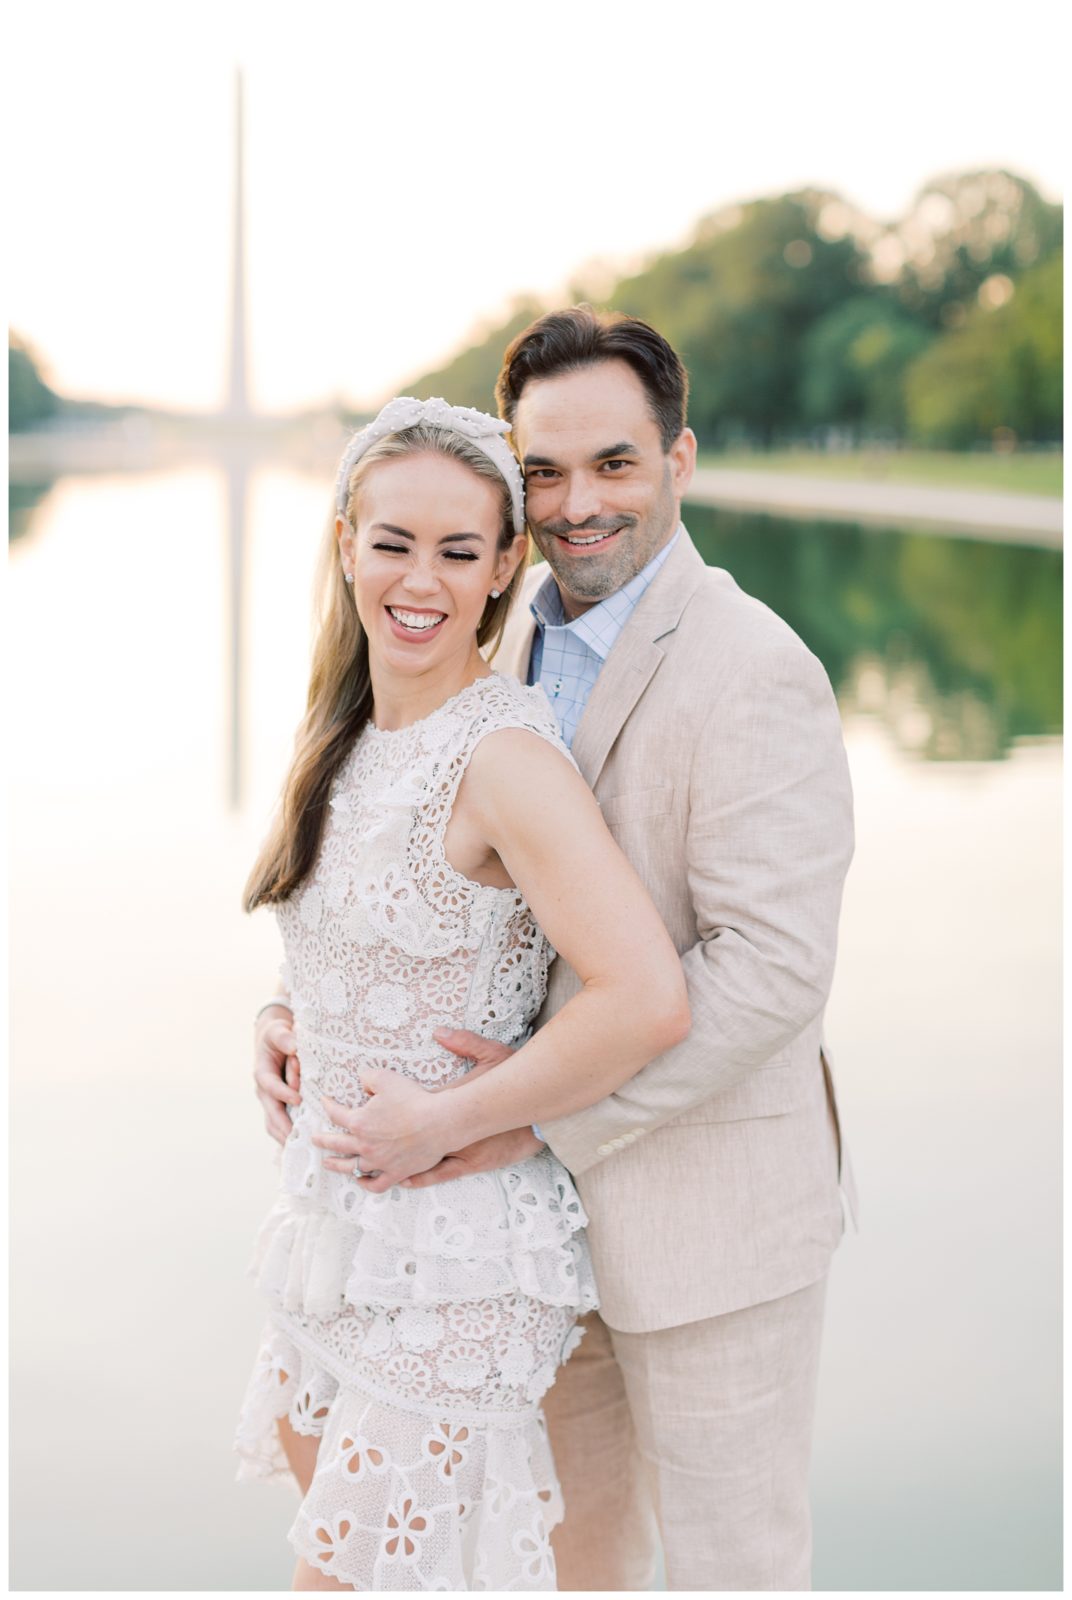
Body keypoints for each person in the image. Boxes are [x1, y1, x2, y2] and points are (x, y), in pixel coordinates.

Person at [255, 309, 857, 1590]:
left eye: (616, 463)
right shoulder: (493, 623)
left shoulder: (758, 666)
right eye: (548, 471)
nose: (582, 503)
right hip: (504, 1230)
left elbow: (770, 970)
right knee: (569, 1571)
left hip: (699, 1222)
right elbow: (444, 897)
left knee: (729, 1571)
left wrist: (520, 1120)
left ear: (678, 460)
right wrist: (303, 1014)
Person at [235, 394, 690, 1592]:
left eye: (456, 549)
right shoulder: (343, 732)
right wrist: (282, 1021)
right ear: (346, 546)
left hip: (457, 1263)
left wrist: (450, 1120)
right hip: (331, 1227)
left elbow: (643, 995)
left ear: (504, 566)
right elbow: (349, 941)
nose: (418, 579)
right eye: (391, 542)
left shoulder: (504, 756)